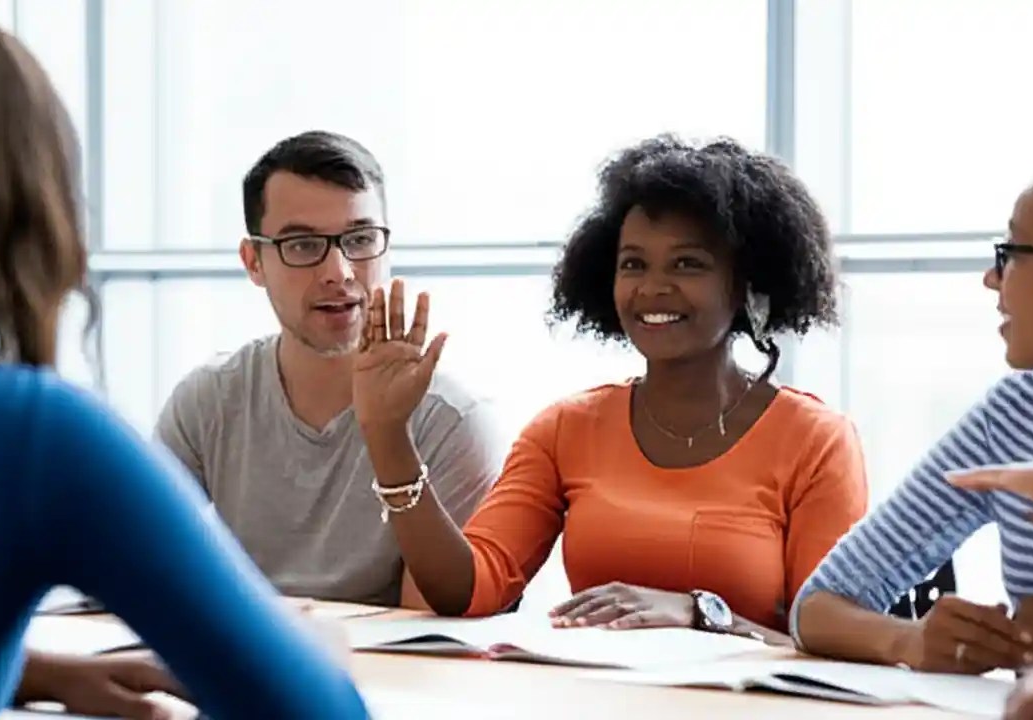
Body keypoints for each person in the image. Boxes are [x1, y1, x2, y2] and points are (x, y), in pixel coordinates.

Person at [0, 2, 369, 718]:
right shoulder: (25, 436)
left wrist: (32, 672)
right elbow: (312, 711)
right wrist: (318, 654)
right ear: (31, 203)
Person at [348, 134, 868, 641]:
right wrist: (388, 434)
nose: (653, 287)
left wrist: (699, 612)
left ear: (748, 285)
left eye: (688, 263)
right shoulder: (566, 428)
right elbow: (467, 590)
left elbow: (829, 645)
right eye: (633, 264)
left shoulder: (816, 441)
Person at [154, 131, 505, 609]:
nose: (339, 271)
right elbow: (141, 570)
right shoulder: (208, 402)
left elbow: (429, 635)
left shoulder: (451, 421)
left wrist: (387, 433)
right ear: (253, 261)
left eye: (360, 240)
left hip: (386, 680)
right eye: (302, 244)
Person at [792, 140, 1033, 675]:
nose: (992, 278)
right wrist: (909, 640)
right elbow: (817, 606)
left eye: (1014, 253)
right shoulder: (1014, 415)